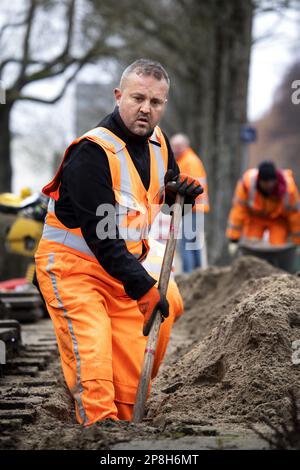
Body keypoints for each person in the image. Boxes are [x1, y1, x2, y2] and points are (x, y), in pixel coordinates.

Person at [34, 59, 203, 425]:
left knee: (130, 382)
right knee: (94, 368)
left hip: (122, 272)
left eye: (156, 102)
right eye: (138, 98)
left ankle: (126, 431)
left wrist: (181, 196)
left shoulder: (159, 145)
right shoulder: (90, 154)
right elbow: (104, 239)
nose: (146, 108)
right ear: (118, 96)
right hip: (74, 271)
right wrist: (143, 288)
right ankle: (99, 434)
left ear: (164, 105)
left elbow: (161, 194)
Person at [226, 161, 300, 254]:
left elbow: (295, 216)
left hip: (278, 220)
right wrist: (233, 239)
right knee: (252, 246)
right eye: (265, 182)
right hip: (255, 219)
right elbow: (239, 211)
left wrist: (298, 242)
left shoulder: (289, 189)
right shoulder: (247, 184)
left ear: (276, 180)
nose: (268, 185)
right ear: (259, 180)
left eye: (270, 182)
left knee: (277, 248)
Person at [170, 133, 209, 272]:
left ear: (186, 146)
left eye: (178, 146)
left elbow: (190, 187)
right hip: (194, 209)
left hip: (191, 209)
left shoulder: (188, 161)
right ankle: (199, 274)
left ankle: (188, 276)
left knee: (185, 245)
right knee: (193, 243)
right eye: (173, 146)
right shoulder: (186, 160)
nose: (175, 149)